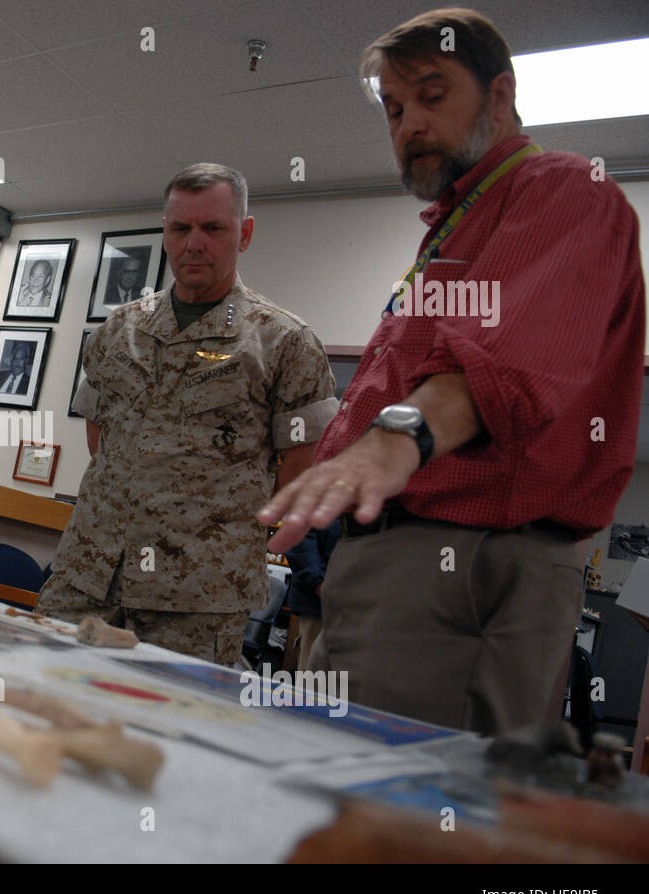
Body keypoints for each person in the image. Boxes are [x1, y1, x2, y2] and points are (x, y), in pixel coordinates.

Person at [259, 9, 645, 735]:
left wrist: (391, 438)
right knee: (327, 789)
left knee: (400, 812)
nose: (408, 125)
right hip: (382, 564)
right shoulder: (453, 228)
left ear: (500, 97)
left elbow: (496, 370)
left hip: (459, 565)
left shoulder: (564, 189)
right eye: (394, 109)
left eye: (432, 96)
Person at [37, 163, 337, 664]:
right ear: (166, 233)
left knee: (164, 730)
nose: (194, 243)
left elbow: (301, 470)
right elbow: (100, 437)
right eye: (181, 228)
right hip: (87, 574)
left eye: (213, 228)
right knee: (45, 702)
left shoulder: (284, 342)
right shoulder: (118, 330)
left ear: (244, 234)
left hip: (195, 599)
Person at [282, 520, 341, 672]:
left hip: (367, 607)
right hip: (319, 605)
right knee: (313, 682)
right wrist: (318, 583)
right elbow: (298, 537)